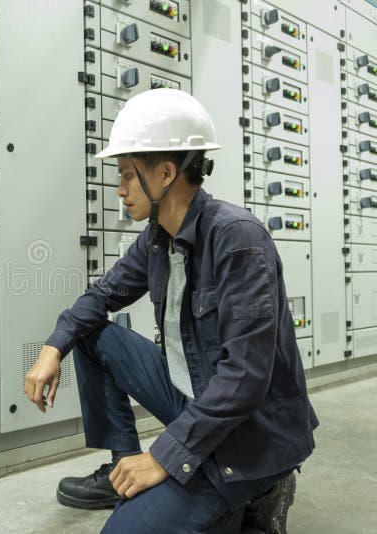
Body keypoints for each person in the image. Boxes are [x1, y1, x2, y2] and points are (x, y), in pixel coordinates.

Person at [24, 89, 318, 533]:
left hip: (248, 433)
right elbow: (100, 297)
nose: (119, 190)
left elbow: (245, 378)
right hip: (196, 397)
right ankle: (125, 469)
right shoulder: (157, 238)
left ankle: (263, 486)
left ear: (165, 173)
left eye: (126, 175)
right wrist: (52, 346)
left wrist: (164, 456)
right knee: (88, 333)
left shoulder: (238, 239)